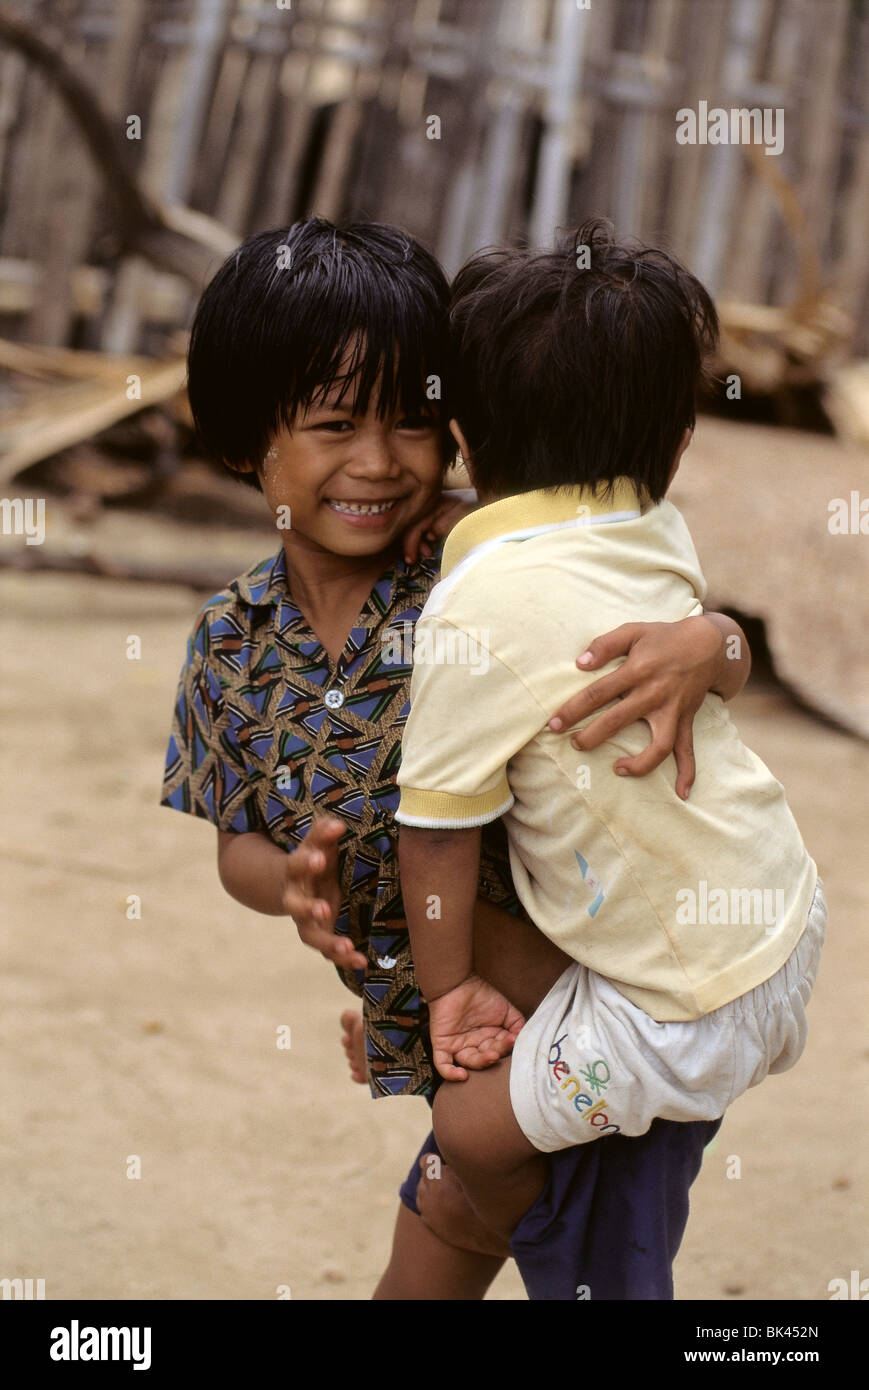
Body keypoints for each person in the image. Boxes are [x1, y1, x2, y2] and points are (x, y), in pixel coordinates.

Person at [162, 216, 752, 1299]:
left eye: (414, 424)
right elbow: (235, 840)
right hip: (455, 1040)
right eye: (335, 425)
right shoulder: (232, 642)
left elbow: (710, 641)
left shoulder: (492, 565)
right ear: (249, 440)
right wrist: (293, 887)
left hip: (589, 1021)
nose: (380, 463)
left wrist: (699, 647)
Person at [396, 220, 826, 1258]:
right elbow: (571, 552)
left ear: (461, 438)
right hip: (774, 916)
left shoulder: (473, 608)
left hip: (684, 1005)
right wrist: (716, 640)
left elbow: (434, 826)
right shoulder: (649, 525)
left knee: (467, 1130)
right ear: (674, 448)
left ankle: (511, 1226)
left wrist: (448, 989)